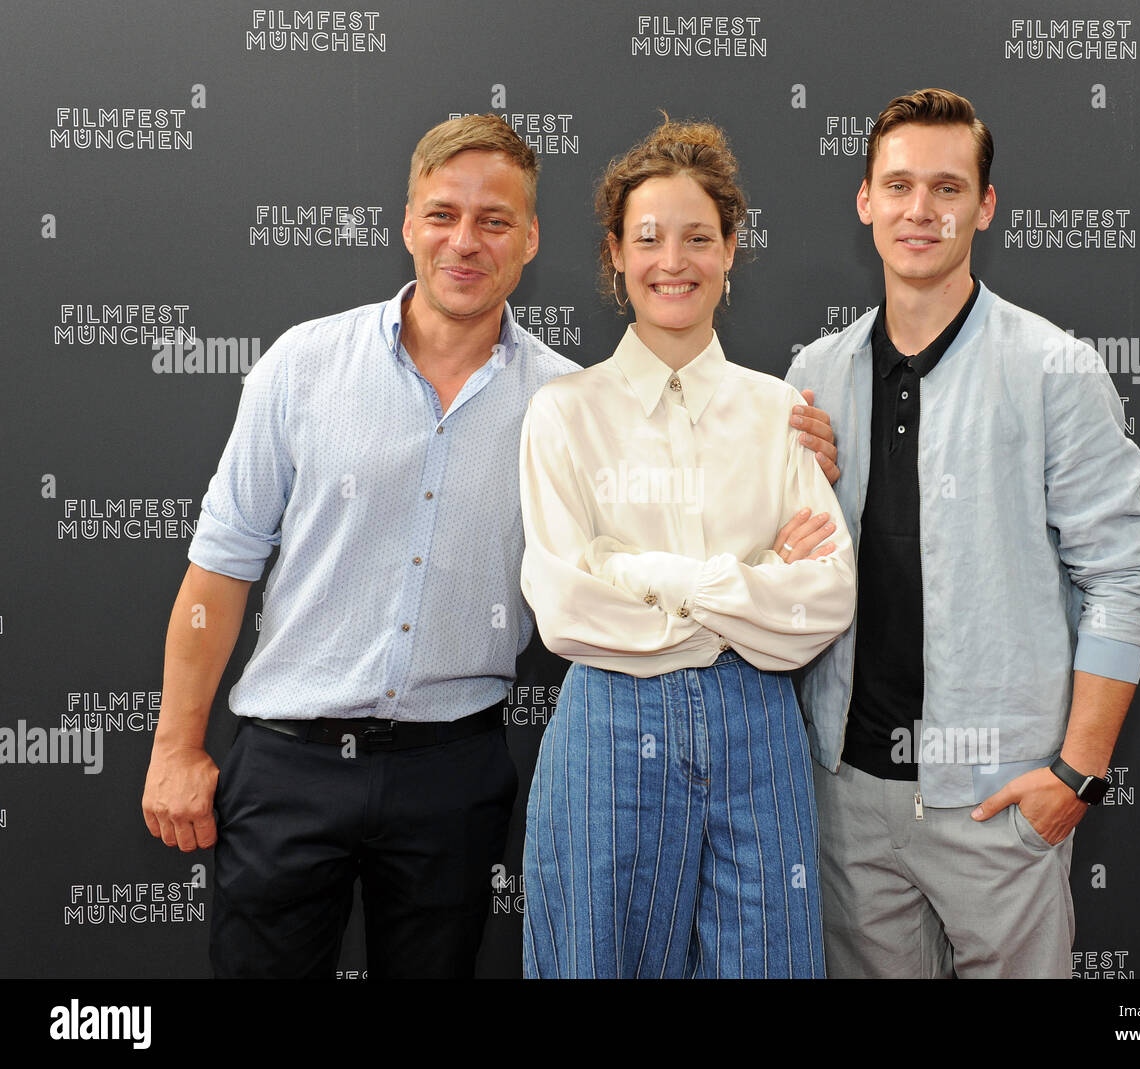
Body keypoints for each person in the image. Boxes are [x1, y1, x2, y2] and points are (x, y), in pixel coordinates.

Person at [140, 114, 840, 978]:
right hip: (290, 761)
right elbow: (222, 564)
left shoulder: (562, 397)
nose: (464, 241)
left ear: (530, 239)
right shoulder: (302, 365)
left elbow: (762, 566)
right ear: (407, 224)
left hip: (450, 773)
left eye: (494, 221)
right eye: (442, 215)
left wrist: (773, 475)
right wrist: (176, 745)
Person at [786, 88, 1140, 978]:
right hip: (847, 800)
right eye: (900, 185)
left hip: (1001, 800)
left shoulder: (1053, 369)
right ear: (865, 200)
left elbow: (1122, 575)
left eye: (948, 188)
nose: (922, 210)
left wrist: (1076, 775)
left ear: (985, 206)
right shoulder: (813, 375)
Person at [518, 117, 856, 979]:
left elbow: (824, 598)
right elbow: (564, 608)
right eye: (649, 239)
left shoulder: (781, 409)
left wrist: (640, 571)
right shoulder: (564, 411)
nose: (675, 260)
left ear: (732, 249)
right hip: (609, 727)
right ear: (616, 255)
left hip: (759, 731)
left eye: (699, 237)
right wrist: (752, 591)